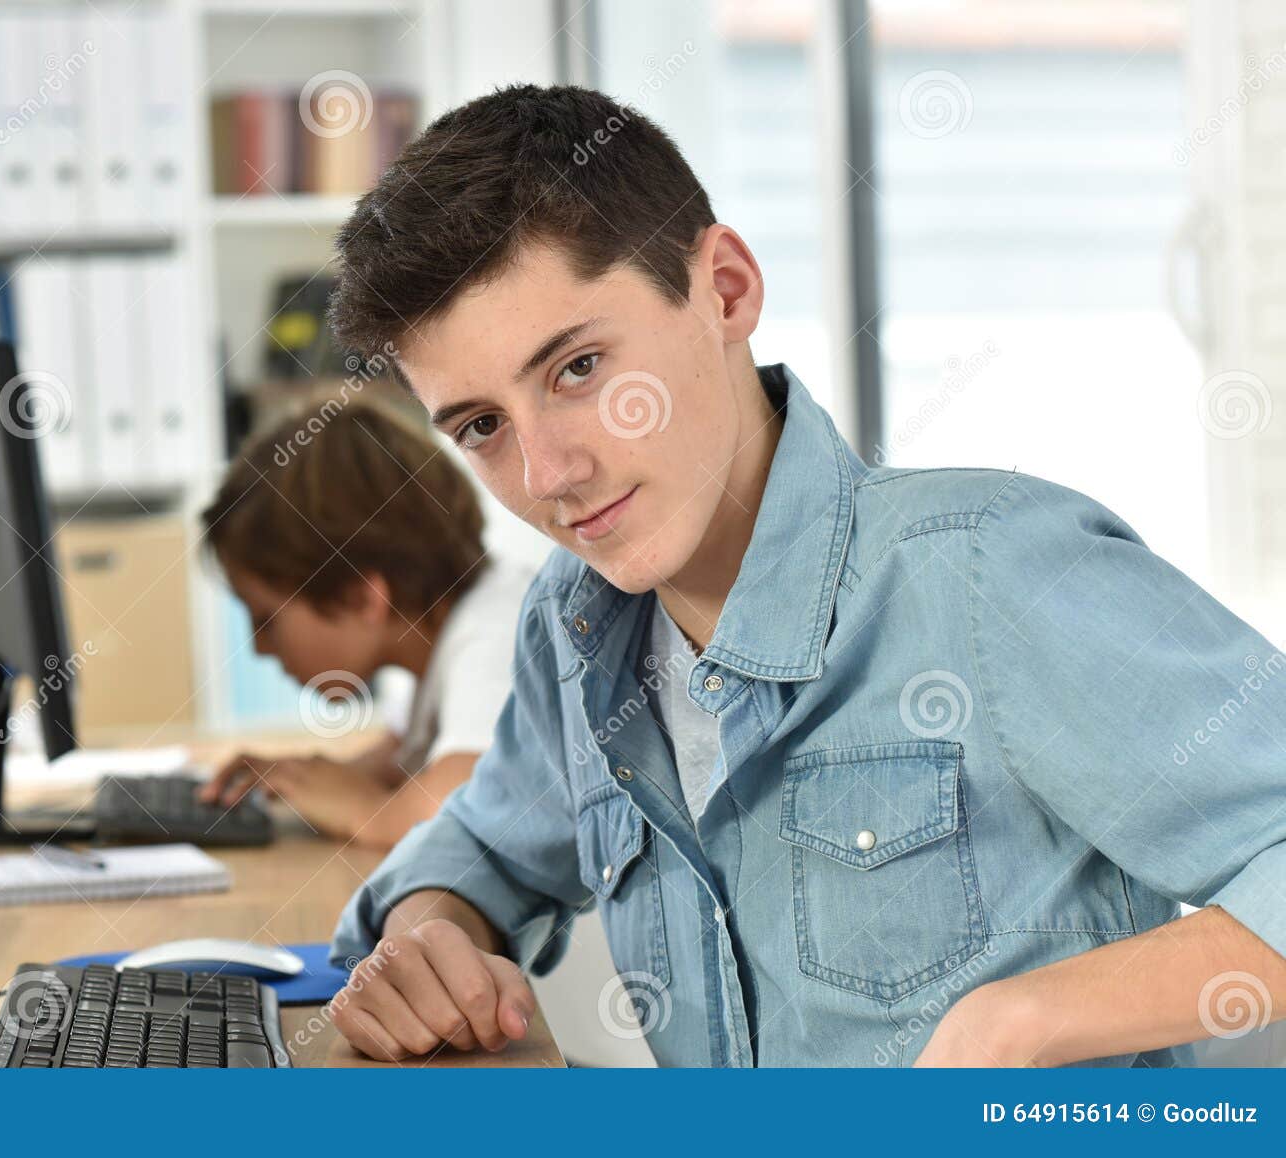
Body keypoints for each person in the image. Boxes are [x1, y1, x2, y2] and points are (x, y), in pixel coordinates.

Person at [321, 85, 1286, 1066]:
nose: (548, 475)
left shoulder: (986, 574)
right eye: (483, 426)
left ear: (726, 291)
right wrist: (427, 935)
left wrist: (1025, 1019)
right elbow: (485, 849)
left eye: (577, 370)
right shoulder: (573, 629)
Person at [197, 395, 534, 852]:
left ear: (360, 596)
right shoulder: (437, 642)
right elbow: (400, 757)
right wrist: (304, 779)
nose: (259, 648)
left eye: (266, 620)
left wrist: (364, 812)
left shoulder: (499, 630)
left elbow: (469, 808)